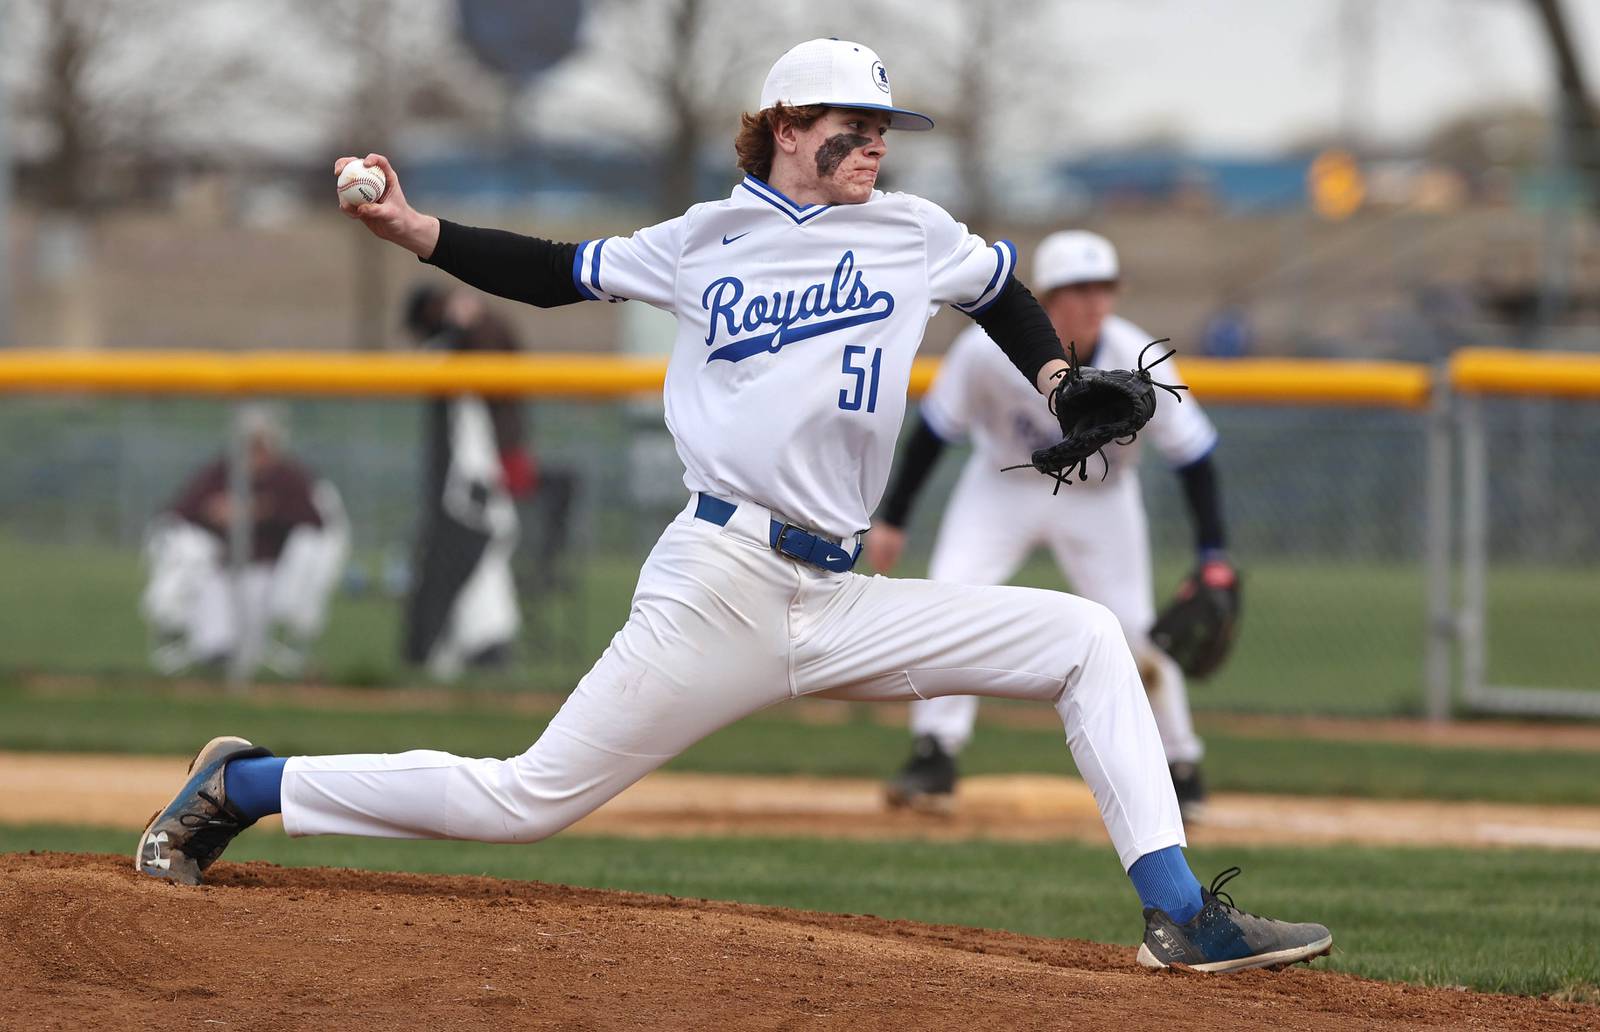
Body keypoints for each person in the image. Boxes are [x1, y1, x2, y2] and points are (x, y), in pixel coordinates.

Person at [135, 39, 1329, 973]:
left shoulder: (912, 232)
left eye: (884, 127)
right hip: (720, 582)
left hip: (839, 593)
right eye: (852, 127)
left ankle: (1178, 918)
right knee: (524, 801)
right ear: (786, 133)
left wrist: (1061, 380)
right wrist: (412, 230)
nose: (876, 144)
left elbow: (1001, 290)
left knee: (1081, 641)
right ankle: (244, 785)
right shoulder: (704, 239)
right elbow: (553, 275)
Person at [870, 231, 1234, 823]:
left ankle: (1181, 765)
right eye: (1078, 289)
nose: (1093, 302)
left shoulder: (1139, 356)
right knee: (951, 601)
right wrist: (894, 518)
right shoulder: (988, 352)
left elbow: (1195, 458)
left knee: (1138, 631)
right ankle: (934, 752)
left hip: (1101, 498)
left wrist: (1213, 551)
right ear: (1048, 296)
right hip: (1002, 487)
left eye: (1104, 288)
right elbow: (936, 432)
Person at [140, 404, 348, 677]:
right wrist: (214, 511)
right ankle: (191, 641)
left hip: (267, 570)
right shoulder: (219, 473)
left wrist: (263, 510)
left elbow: (316, 522)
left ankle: (271, 650)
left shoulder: (287, 477)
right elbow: (178, 512)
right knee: (202, 577)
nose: (254, 451)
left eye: (260, 443)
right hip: (219, 566)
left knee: (248, 643)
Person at [399, 284, 531, 678]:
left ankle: (475, 653)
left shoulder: (477, 347)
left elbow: (499, 343)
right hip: (465, 492)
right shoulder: (443, 356)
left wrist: (473, 319)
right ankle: (456, 654)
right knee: (468, 567)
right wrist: (463, 323)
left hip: (477, 491)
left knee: (483, 566)